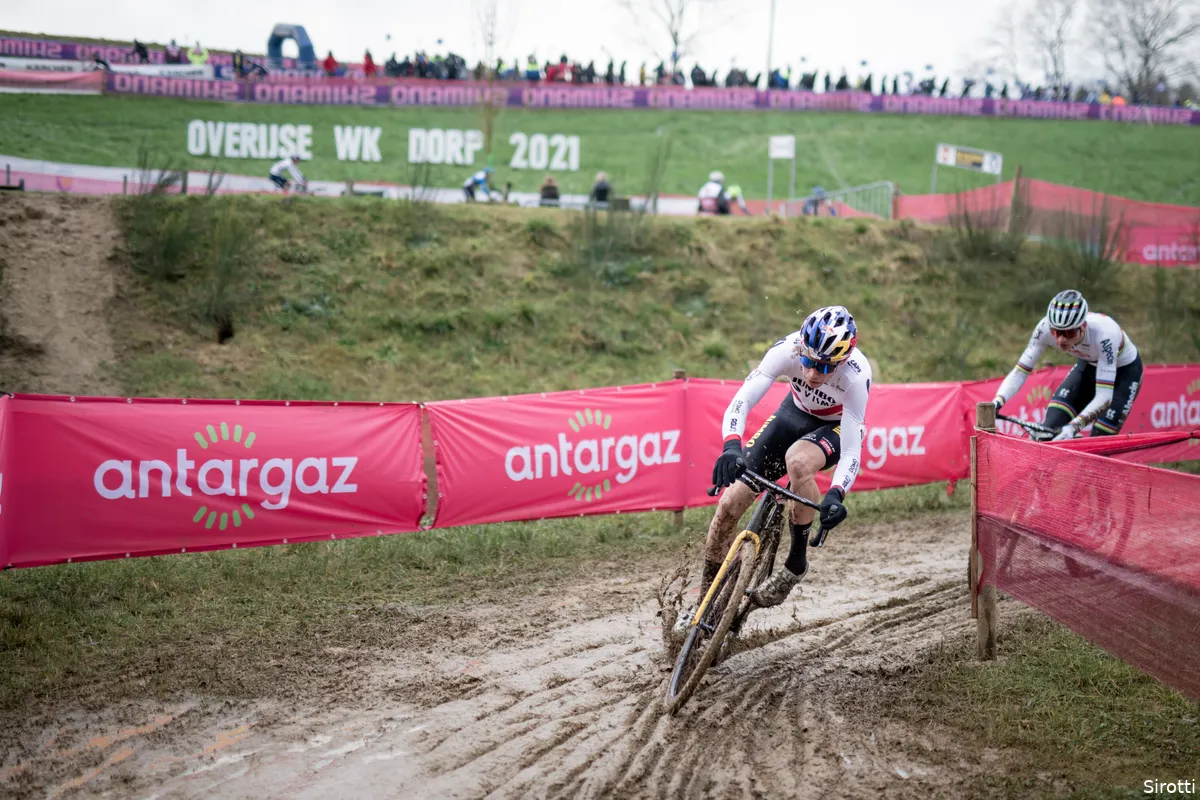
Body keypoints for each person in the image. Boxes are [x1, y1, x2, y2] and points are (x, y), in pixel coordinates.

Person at [674, 306, 870, 637]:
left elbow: (852, 446)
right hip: (792, 413)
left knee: (797, 462)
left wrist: (837, 493)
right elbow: (744, 398)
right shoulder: (789, 348)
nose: (811, 373)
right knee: (727, 507)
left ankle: (794, 564)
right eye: (808, 362)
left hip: (832, 427)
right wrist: (731, 446)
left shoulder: (855, 375)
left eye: (823, 367)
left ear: (840, 360)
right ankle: (704, 601)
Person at [994, 290, 1143, 440]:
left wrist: (1074, 427)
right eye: (1056, 332)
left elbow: (1104, 396)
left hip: (1125, 373)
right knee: (1047, 430)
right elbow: (1021, 371)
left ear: (1083, 326)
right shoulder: (1044, 328)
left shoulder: (1105, 335)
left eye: (1069, 333)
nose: (1061, 340)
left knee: (1097, 443)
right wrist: (998, 401)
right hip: (1089, 366)